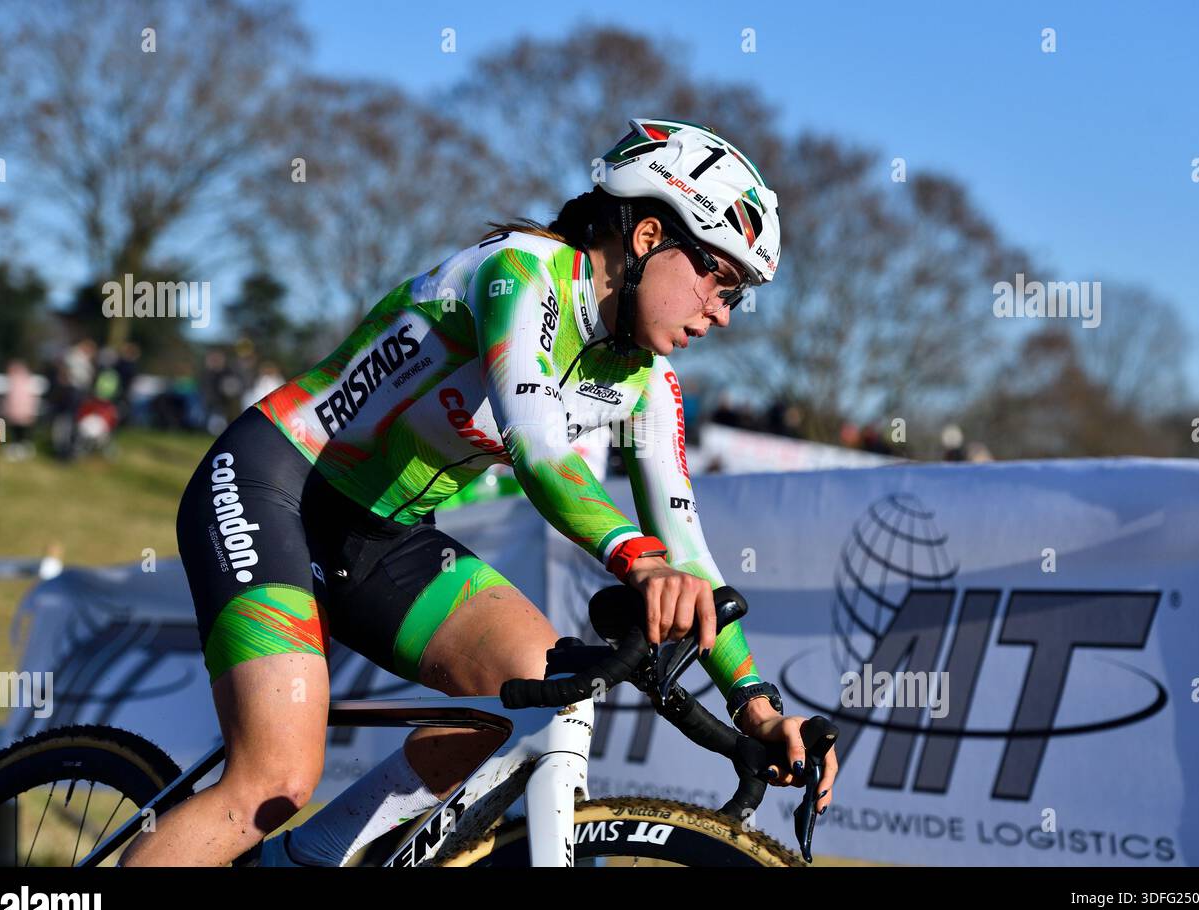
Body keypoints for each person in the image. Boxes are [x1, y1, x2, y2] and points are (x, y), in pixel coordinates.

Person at [122, 118, 837, 867]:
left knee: (542, 691)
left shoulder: (647, 384)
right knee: (274, 781)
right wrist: (640, 561)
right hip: (276, 485)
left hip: (384, 538)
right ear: (651, 235)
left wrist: (759, 710)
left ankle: (307, 860)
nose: (723, 312)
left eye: (737, 295)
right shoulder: (520, 273)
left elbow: (687, 548)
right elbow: (539, 448)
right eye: (721, 280)